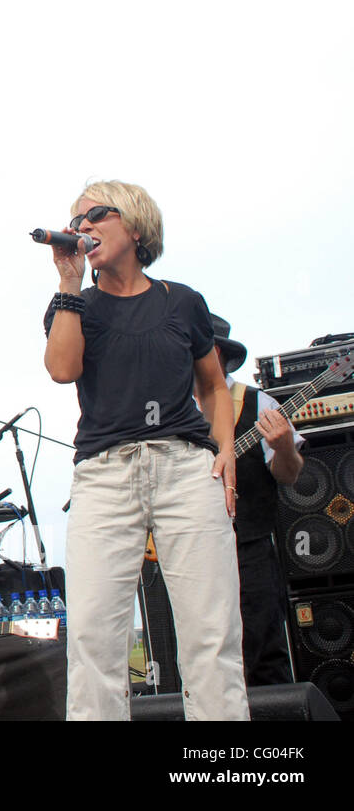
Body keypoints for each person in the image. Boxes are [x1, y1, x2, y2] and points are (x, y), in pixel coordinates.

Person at [44, 180, 249, 721]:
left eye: (96, 216)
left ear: (134, 226)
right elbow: (62, 370)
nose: (83, 227)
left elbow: (213, 386)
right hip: (106, 474)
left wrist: (224, 449)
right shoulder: (75, 304)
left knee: (211, 631)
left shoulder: (181, 301)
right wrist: (68, 279)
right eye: (76, 220)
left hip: (186, 468)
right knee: (94, 637)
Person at [209, 315, 304, 686]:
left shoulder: (257, 401)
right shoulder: (174, 410)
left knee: (263, 655)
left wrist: (283, 447)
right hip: (194, 545)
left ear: (213, 352)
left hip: (249, 548)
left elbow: (289, 473)